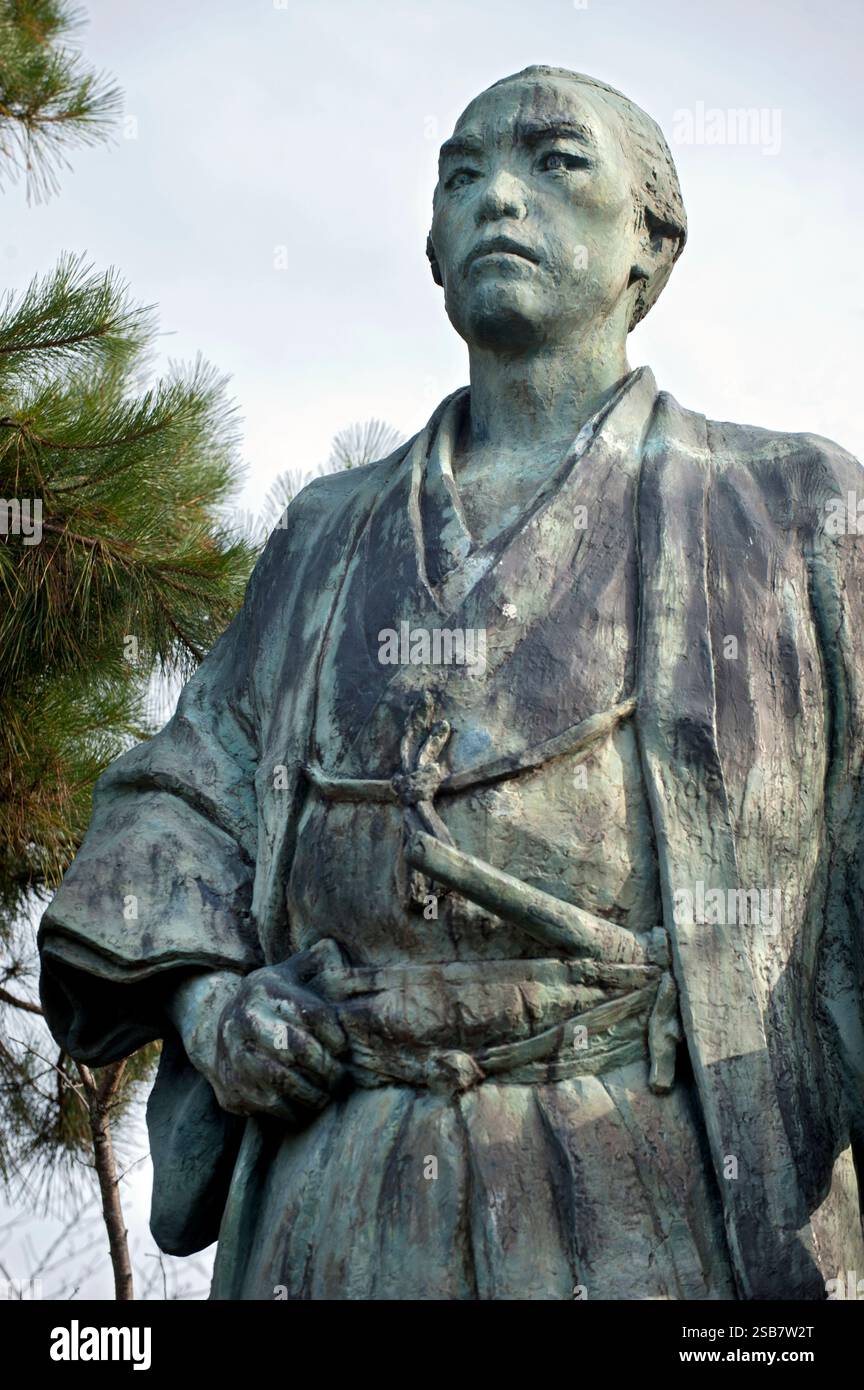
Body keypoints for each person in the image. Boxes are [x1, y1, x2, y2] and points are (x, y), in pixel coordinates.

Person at [39, 66, 864, 1300]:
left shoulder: (792, 508)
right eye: (461, 173)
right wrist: (213, 1010)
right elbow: (180, 800)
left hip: (646, 1171)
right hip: (338, 1176)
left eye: (553, 162)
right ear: (430, 247)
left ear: (653, 239)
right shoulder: (326, 537)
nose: (498, 197)